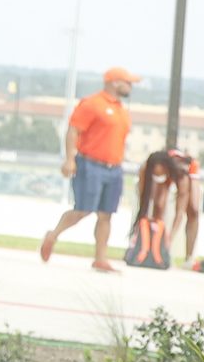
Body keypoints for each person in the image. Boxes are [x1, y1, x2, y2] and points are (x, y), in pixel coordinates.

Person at [41, 67, 138, 273]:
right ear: (114, 82)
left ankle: (100, 259)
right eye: (127, 82)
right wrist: (69, 159)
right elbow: (73, 130)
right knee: (82, 210)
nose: (130, 86)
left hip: (114, 169)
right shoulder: (93, 104)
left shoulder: (121, 110)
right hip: (90, 164)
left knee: (106, 214)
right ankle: (53, 235)